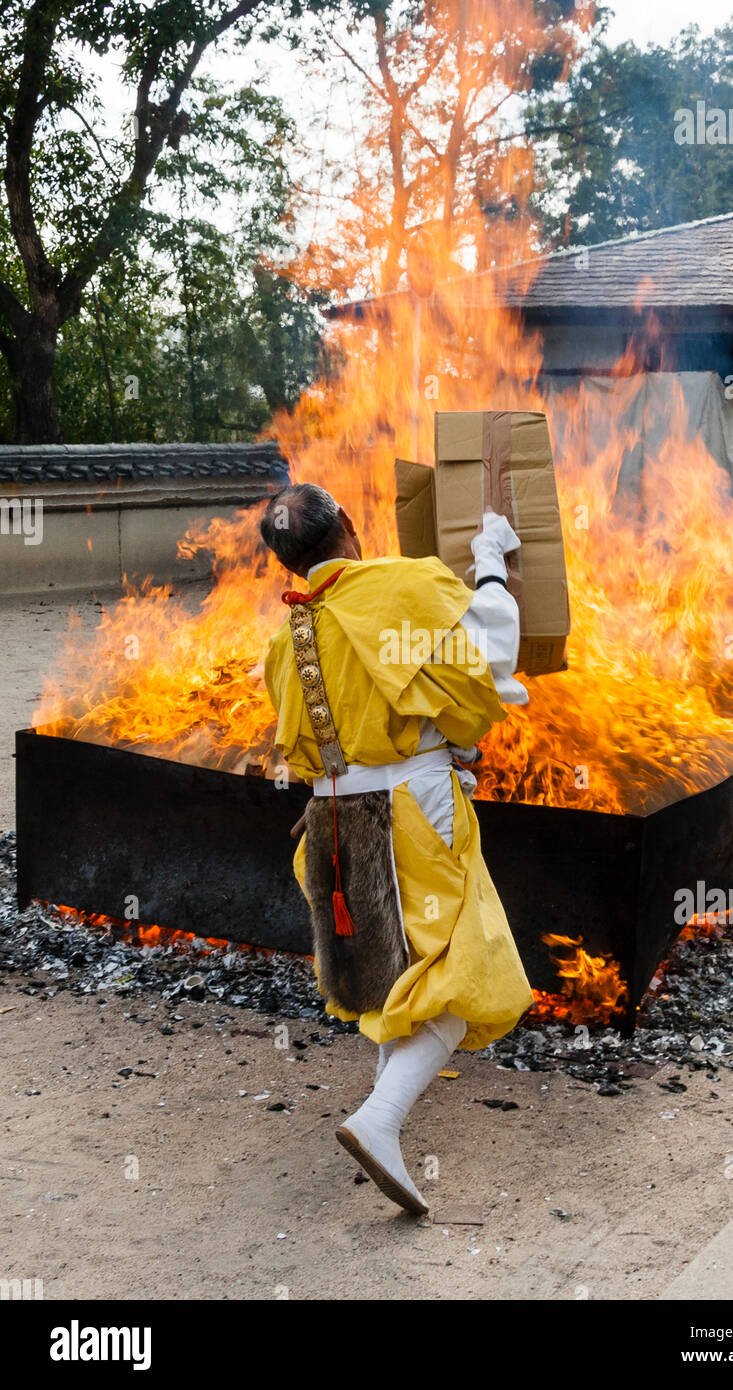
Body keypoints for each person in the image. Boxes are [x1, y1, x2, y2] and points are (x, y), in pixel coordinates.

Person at [260, 481, 533, 1215]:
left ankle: (383, 1132)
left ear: (287, 563)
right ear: (349, 523)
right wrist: (492, 564)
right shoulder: (402, 585)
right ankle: (378, 1121)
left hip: (330, 823)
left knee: (393, 976)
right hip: (415, 807)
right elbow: (490, 659)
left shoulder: (284, 641)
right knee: (459, 969)